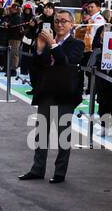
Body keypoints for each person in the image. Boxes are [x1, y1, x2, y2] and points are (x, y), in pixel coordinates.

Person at [20, 11, 83, 182]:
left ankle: (60, 172)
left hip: (65, 94)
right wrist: (39, 50)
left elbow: (65, 62)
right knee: (41, 133)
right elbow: (36, 68)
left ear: (71, 24)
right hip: (46, 92)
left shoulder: (77, 44)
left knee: (63, 135)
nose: (60, 24)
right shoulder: (46, 41)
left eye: (64, 21)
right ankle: (37, 169)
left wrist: (53, 44)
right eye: (57, 21)